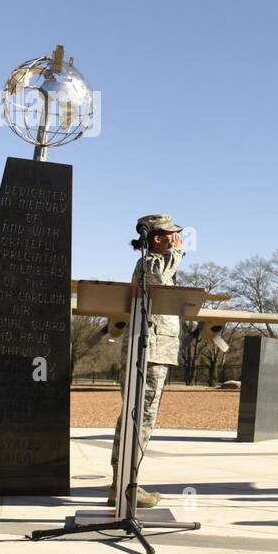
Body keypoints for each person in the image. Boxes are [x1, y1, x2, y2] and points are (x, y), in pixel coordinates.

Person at [108, 213, 186, 508]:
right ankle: (126, 485)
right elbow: (158, 276)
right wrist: (176, 253)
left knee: (140, 417)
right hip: (148, 352)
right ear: (156, 239)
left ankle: (124, 484)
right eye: (171, 235)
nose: (177, 240)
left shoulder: (156, 264)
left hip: (155, 352)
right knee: (140, 418)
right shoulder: (151, 263)